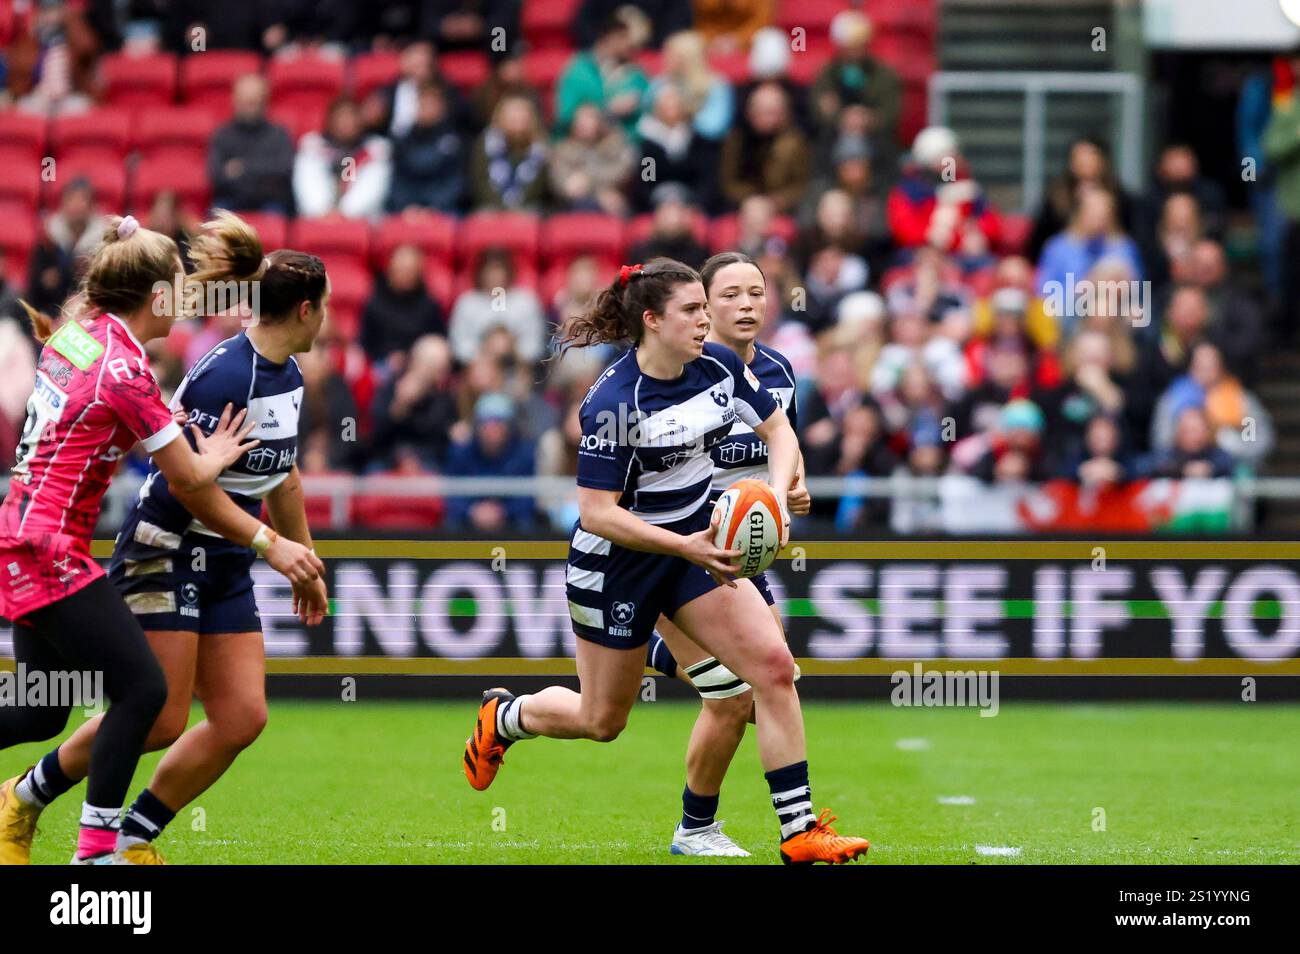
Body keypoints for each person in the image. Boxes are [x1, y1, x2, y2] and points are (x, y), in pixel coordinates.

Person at [460, 258, 871, 865]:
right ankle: (508, 715)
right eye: (694, 310)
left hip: (691, 553)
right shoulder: (614, 401)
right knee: (602, 720)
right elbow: (598, 513)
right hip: (616, 566)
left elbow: (780, 431)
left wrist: (776, 497)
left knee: (773, 670)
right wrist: (687, 545)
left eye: (708, 307)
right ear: (652, 321)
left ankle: (800, 831)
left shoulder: (720, 365)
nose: (708, 320)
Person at [5, 212, 332, 864]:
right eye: (178, 292)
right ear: (305, 309)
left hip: (71, 543)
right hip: (153, 549)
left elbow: (282, 473)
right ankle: (75, 836)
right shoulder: (170, 374)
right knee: (151, 705)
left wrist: (306, 558)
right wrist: (272, 544)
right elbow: (183, 479)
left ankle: (125, 837)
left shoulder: (83, 338)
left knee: (233, 717)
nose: (186, 304)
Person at [639, 251, 812, 857]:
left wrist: (791, 491)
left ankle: (697, 828)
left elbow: (783, 450)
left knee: (758, 690)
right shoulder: (673, 375)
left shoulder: (780, 372)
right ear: (702, 306)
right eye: (732, 294)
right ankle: (645, 645)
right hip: (676, 553)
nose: (747, 305)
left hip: (738, 556)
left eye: (757, 293)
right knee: (745, 691)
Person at [208, 74, 296, 214]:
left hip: (270, 202)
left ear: (265, 102)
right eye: (245, 102)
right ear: (235, 101)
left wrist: (242, 167)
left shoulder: (279, 134)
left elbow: (284, 170)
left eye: (254, 102)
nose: (249, 108)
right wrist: (262, 172)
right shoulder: (222, 135)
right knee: (216, 222)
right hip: (230, 200)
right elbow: (216, 176)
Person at [293, 97, 392, 220]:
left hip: (361, 223)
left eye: (351, 116)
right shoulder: (313, 145)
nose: (346, 122)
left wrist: (345, 214)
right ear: (330, 120)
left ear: (360, 120)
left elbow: (372, 188)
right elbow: (308, 184)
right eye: (341, 117)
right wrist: (322, 212)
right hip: (317, 221)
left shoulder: (376, 149)